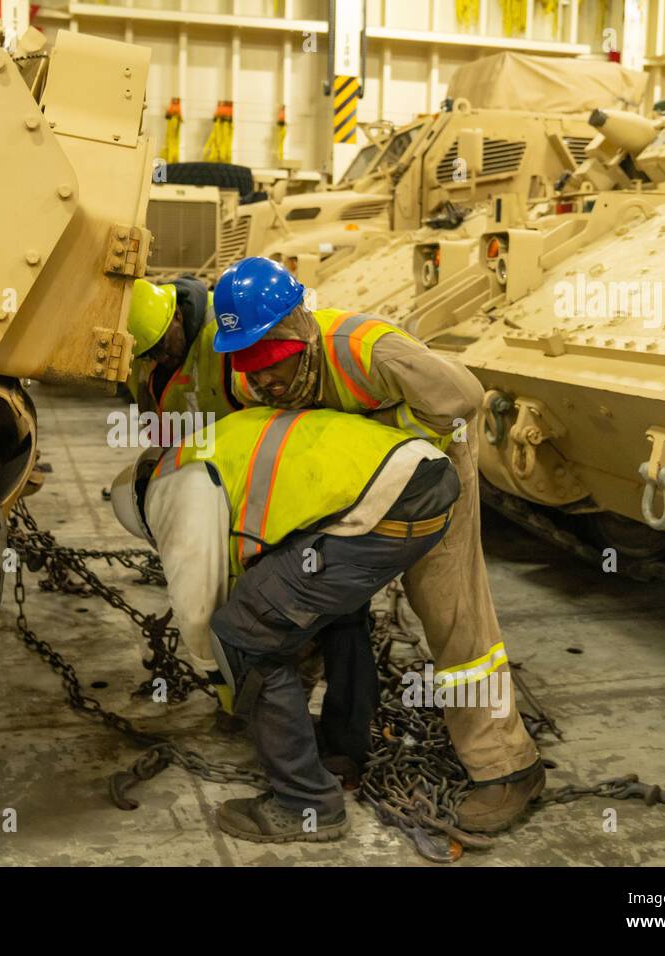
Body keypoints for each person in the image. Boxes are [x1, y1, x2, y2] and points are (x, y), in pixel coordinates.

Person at [209, 256, 542, 834]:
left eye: (273, 366)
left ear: (302, 332)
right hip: (345, 492)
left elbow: (464, 399)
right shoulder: (251, 377)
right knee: (330, 609)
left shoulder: (368, 350)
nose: (263, 381)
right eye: (250, 366)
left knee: (453, 615)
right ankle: (341, 745)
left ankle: (507, 765)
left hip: (427, 480)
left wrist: (384, 439)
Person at [111, 405, 459, 843]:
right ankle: (344, 749)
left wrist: (230, 690)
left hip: (382, 505)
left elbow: (199, 610)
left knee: (243, 635)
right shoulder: (211, 445)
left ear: (143, 512)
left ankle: (306, 802)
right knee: (339, 613)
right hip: (424, 482)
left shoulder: (173, 486)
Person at [125, 278, 243, 419]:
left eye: (163, 343)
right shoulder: (137, 352)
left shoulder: (225, 330)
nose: (161, 358)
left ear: (177, 315)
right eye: (150, 354)